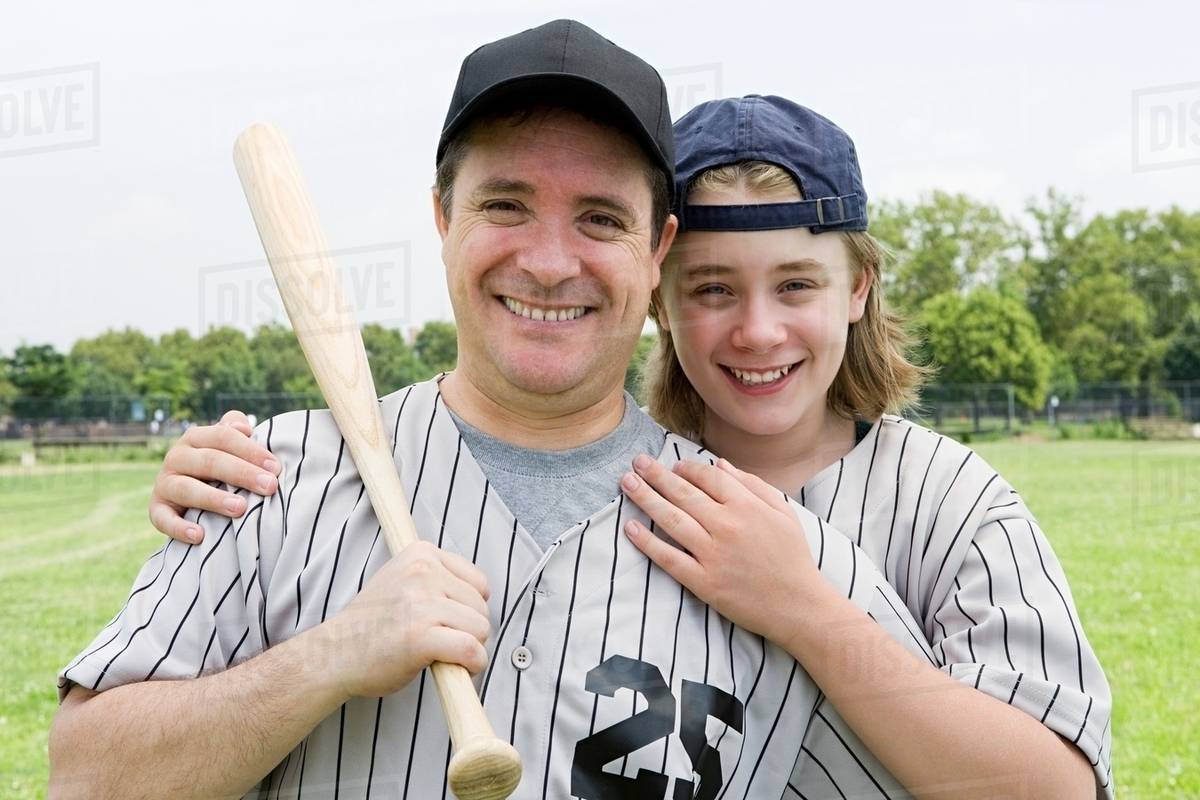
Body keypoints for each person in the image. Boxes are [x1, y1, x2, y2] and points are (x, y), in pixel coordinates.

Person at [50, 21, 938, 800]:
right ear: (444, 217)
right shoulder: (266, 481)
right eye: (506, 205)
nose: (549, 263)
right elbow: (84, 778)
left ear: (657, 249)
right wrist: (326, 659)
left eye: (600, 218)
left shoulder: (772, 551)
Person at [146, 93, 1113, 799]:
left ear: (858, 288)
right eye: (712, 288)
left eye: (798, 285)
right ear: (657, 287)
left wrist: (807, 610)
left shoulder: (948, 503)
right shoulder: (617, 473)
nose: (758, 331)